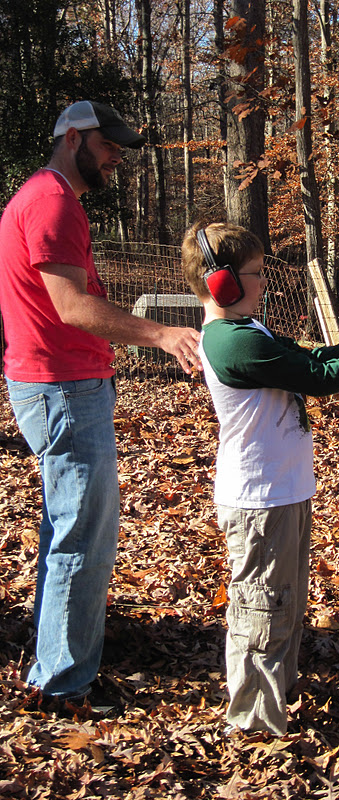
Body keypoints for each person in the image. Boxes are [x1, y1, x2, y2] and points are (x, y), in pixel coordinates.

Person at [181, 221, 339, 736]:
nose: (264, 282)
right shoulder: (230, 342)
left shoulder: (249, 331)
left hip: (282, 490)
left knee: (284, 604)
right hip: (258, 498)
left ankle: (278, 693)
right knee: (262, 609)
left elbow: (312, 359)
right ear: (222, 282)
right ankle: (253, 722)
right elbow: (317, 379)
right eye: (255, 273)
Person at [0, 100, 202, 710]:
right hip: (62, 387)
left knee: (69, 531)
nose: (116, 156)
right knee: (82, 540)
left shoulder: (47, 197)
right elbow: (72, 307)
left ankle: (56, 666)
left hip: (62, 384)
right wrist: (161, 334)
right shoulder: (51, 201)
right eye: (108, 144)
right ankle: (64, 686)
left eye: (119, 147)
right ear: (72, 138)